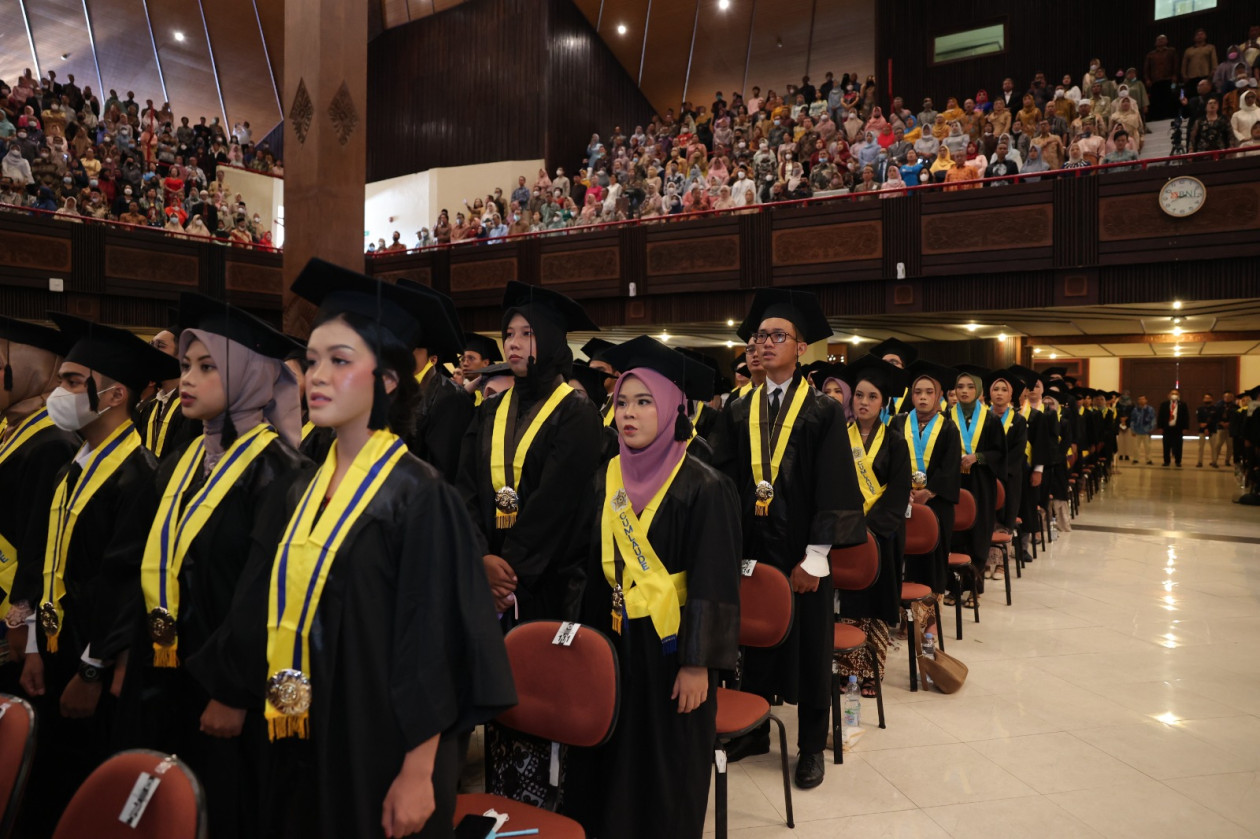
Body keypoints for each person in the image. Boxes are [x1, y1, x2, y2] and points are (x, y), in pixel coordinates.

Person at [188, 260, 516, 839]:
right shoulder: (297, 484)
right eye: (311, 360)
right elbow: (259, 597)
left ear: (386, 381)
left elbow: (434, 644)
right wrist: (232, 688)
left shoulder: (420, 497)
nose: (316, 376)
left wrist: (418, 772)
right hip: (294, 732)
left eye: (339, 361)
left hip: (379, 744)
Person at [111, 294, 306, 839]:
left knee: (224, 812)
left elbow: (266, 592)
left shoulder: (283, 473)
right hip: (165, 667)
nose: (188, 381)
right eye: (184, 366)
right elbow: (154, 563)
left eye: (207, 366)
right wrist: (128, 651)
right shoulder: (181, 460)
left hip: (225, 688)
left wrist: (234, 690)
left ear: (248, 375)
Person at [13, 314, 177, 837]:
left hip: (97, 661)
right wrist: (34, 643)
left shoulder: (142, 478)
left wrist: (92, 669)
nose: (60, 392)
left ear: (113, 395)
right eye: (61, 378)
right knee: (46, 780)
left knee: (86, 780)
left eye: (74, 382)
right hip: (54, 647)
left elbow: (126, 584)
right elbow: (45, 559)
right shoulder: (70, 466)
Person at [569, 336, 740, 839]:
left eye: (644, 402)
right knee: (609, 755)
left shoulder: (704, 486)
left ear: (671, 408)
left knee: (664, 767)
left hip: (673, 650)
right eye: (621, 401)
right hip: (613, 638)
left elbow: (716, 582)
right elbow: (585, 561)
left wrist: (698, 663)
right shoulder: (606, 477)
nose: (629, 413)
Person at [708, 288, 865, 791]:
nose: (766, 342)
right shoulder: (738, 409)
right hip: (753, 549)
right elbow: (724, 482)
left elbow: (835, 485)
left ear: (802, 348)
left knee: (812, 647)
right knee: (754, 641)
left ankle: (811, 745)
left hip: (802, 551)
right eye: (760, 335)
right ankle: (754, 731)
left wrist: (817, 556)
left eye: (778, 335)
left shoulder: (821, 411)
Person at [0, 317, 81, 681]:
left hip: (19, 613)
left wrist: (21, 619)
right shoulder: (18, 427)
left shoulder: (53, 442)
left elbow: (41, 542)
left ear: (29, 369)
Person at [835, 355, 910, 697]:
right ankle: (847, 668)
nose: (864, 403)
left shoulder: (896, 442)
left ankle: (871, 671)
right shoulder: (838, 437)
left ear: (883, 402)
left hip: (882, 536)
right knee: (848, 603)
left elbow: (898, 491)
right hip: (845, 535)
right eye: (860, 395)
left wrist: (872, 529)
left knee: (876, 604)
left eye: (872, 397)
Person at [393, 280, 473, 484]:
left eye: (410, 349)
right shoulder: (392, 389)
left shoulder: (450, 398)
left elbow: (443, 472)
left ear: (431, 357)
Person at [897, 360, 961, 597]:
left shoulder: (949, 428)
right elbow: (893, 464)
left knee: (932, 559)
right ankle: (905, 615)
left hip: (937, 502)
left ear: (939, 396)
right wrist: (905, 490)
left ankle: (928, 616)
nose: (923, 397)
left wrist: (929, 491)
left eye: (929, 392)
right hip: (904, 501)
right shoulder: (898, 423)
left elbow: (951, 467)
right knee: (904, 557)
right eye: (917, 392)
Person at [950, 367, 1005, 597]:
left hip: (981, 483)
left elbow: (1000, 453)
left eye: (970, 386)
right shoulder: (945, 418)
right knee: (955, 533)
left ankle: (974, 588)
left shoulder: (990, 419)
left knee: (978, 532)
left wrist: (978, 457)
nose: (964, 391)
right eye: (960, 386)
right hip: (954, 483)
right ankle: (954, 588)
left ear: (979, 390)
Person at [141, 326, 201, 459]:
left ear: (183, 356)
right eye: (151, 345)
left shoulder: (193, 410)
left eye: (160, 346)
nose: (151, 351)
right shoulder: (150, 408)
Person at [1158, 388, 1189, 467]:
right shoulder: (1164, 404)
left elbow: (1186, 417)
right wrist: (1160, 427)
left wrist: (1185, 428)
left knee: (1178, 445)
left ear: (1178, 396)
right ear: (1169, 395)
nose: (1174, 395)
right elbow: (1160, 416)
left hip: (1178, 429)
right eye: (1172, 393)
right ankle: (1166, 461)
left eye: (1176, 394)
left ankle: (1178, 461)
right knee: (1166, 445)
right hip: (1167, 428)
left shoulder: (1183, 405)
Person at [1195, 392, 1221, 468]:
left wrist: (1207, 426)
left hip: (1212, 430)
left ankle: (1214, 462)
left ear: (1212, 399)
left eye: (1209, 398)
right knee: (1200, 447)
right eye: (1206, 398)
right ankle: (1199, 462)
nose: (1207, 399)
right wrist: (1204, 427)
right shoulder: (1200, 409)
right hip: (1201, 430)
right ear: (1203, 399)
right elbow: (1199, 419)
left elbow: (1216, 419)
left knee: (1214, 447)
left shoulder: (1216, 409)